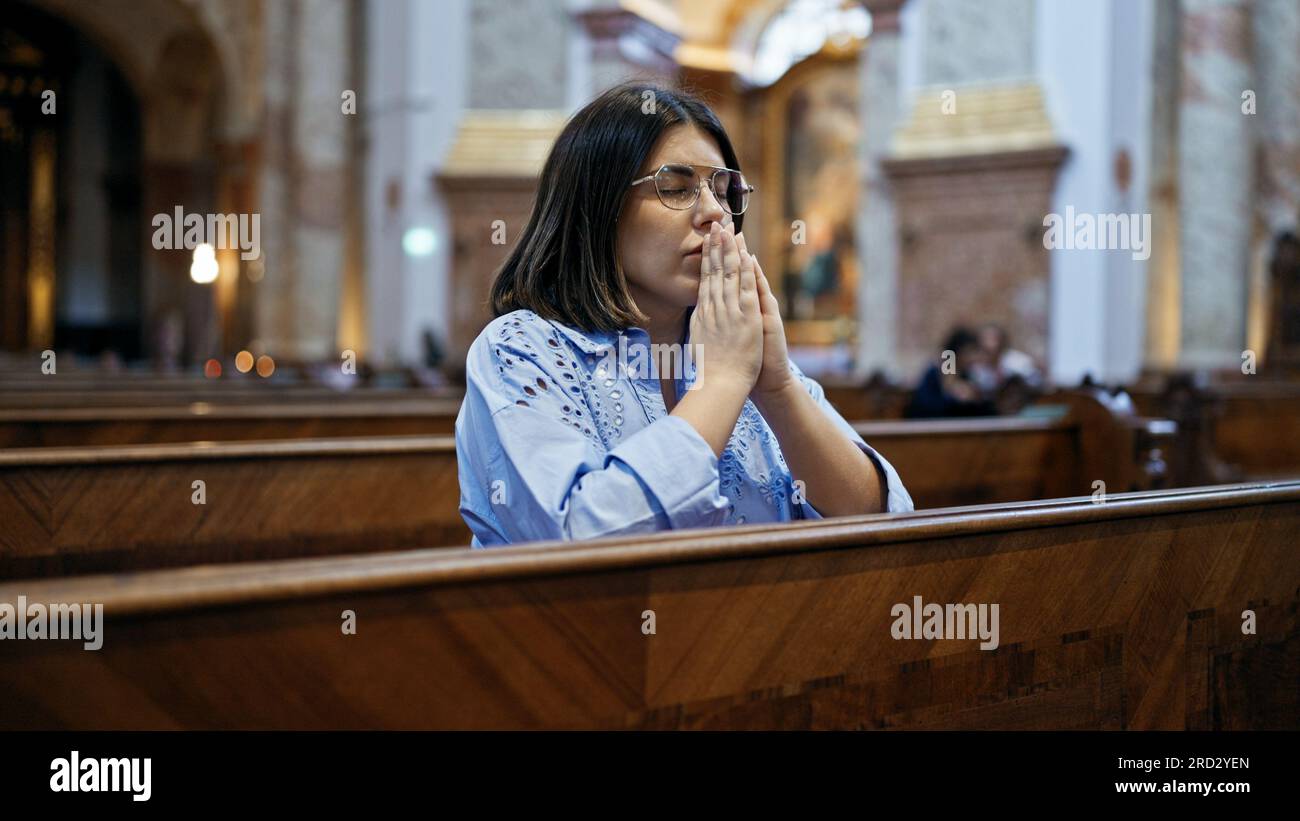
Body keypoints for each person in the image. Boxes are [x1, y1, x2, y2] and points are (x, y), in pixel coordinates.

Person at [455, 82, 913, 547]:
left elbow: (880, 520)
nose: (715, 214)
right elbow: (579, 538)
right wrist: (721, 384)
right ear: (596, 206)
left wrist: (778, 389)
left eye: (724, 190)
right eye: (675, 187)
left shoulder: (734, 351)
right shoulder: (519, 348)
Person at [905, 327, 998, 418]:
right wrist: (953, 396)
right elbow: (928, 405)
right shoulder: (937, 373)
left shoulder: (968, 374)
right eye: (968, 352)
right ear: (958, 352)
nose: (972, 358)